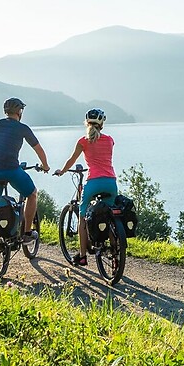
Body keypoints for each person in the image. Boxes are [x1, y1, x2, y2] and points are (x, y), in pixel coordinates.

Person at [0, 97, 49, 254]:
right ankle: (26, 234)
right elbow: (38, 149)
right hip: (11, 170)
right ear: (20, 112)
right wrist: (45, 165)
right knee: (32, 194)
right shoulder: (23, 128)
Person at [54, 107, 117, 266]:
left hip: (93, 183)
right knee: (109, 216)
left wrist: (62, 171)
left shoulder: (83, 141)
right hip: (110, 182)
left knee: (83, 218)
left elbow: (71, 160)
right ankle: (116, 253)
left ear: (86, 122)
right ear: (102, 123)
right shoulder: (110, 140)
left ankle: (82, 256)